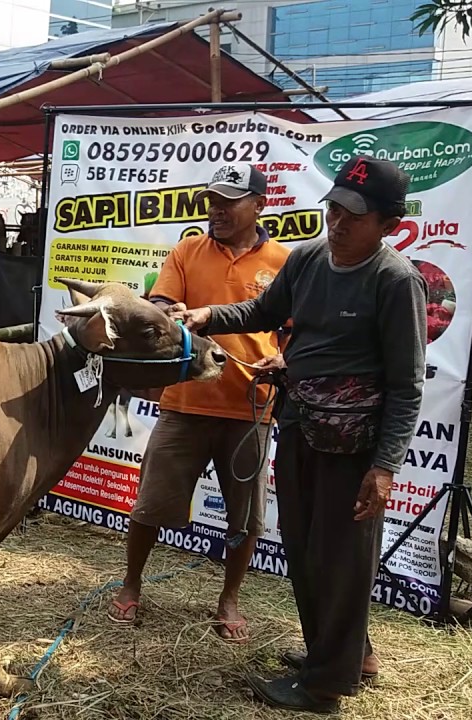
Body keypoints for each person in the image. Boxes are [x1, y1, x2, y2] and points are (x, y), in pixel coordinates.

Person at [178, 156, 427, 714]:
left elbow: (406, 386)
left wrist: (384, 466)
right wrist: (207, 317)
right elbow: (265, 309)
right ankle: (341, 655)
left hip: (354, 446)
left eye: (353, 218)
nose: (337, 224)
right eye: (333, 210)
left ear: (388, 225)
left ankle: (323, 688)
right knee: (306, 551)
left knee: (341, 558)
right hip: (298, 425)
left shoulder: (394, 280)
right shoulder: (310, 258)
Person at [107, 163, 291, 643]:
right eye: (213, 200)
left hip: (251, 409)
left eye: (230, 201)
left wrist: (283, 357)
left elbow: (296, 330)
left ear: (258, 205)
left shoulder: (285, 261)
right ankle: (131, 584)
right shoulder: (188, 249)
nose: (218, 210)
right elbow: (161, 305)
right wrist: (170, 312)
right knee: (149, 505)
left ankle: (229, 598)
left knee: (245, 517)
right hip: (185, 402)